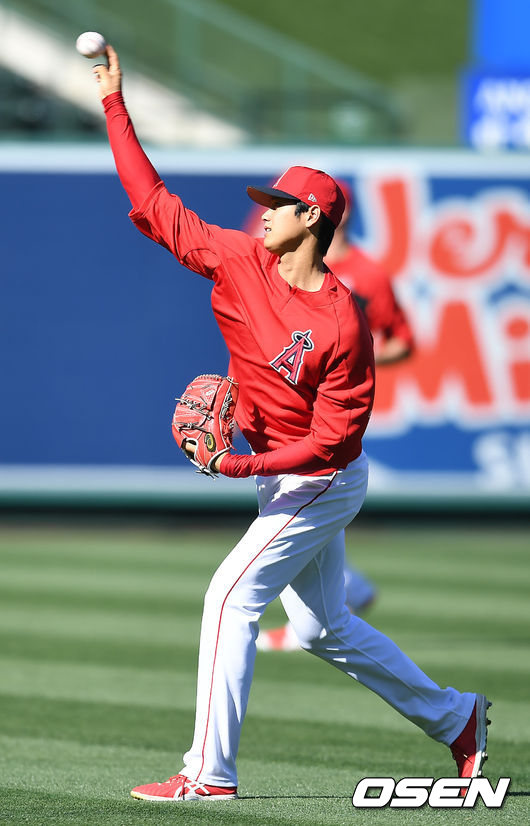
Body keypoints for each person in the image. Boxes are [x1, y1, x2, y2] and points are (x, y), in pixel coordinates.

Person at [92, 46, 490, 803]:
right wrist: (116, 103)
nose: (263, 210)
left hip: (321, 477)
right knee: (321, 628)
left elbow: (334, 444)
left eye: (278, 203)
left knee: (229, 598)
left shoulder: (344, 321)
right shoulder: (239, 259)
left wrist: (237, 467)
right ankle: (457, 719)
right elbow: (154, 206)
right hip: (280, 469)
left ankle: (209, 775)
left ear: (312, 218)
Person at [258, 178, 415, 651]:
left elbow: (403, 341)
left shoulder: (365, 275)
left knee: (309, 497)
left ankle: (323, 608)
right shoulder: (280, 262)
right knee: (300, 506)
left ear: (321, 214)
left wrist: (354, 359)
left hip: (335, 403)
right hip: (290, 403)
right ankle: (343, 595)